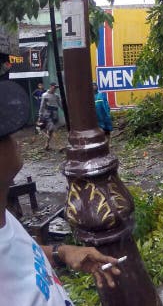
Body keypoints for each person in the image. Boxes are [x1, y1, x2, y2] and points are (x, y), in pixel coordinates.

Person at [1, 93, 122, 303]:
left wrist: (62, 253)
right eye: (5, 137)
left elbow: (20, 254)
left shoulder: (5, 218)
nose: (16, 141)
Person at [38, 83, 61, 151]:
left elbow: (60, 105)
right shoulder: (45, 95)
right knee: (53, 129)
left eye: (56, 88)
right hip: (47, 115)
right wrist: (40, 115)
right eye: (54, 87)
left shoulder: (56, 96)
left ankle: (46, 145)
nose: (55, 89)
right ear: (51, 87)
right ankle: (60, 145)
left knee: (50, 131)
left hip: (54, 114)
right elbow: (42, 106)